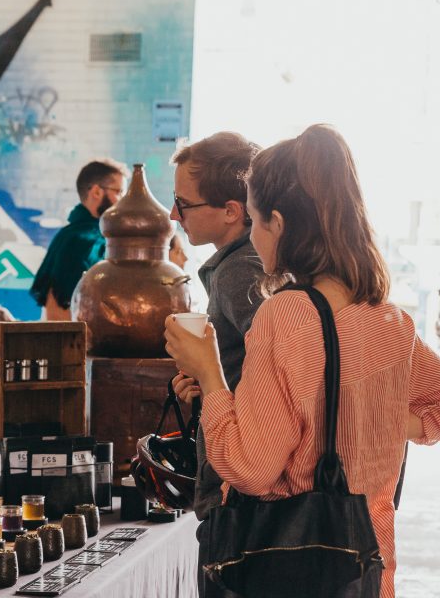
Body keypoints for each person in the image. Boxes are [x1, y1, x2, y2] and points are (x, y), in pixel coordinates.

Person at [165, 124, 440, 598]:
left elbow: (250, 469)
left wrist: (209, 373)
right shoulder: (390, 319)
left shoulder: (284, 316)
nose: (253, 236)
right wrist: (357, 418)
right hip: (368, 563)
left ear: (278, 224)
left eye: (256, 221)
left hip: (283, 562)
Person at [164, 132, 264, 596]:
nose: (173, 215)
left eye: (183, 204)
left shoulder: (239, 271)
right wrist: (209, 381)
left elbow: (283, 363)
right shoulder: (243, 264)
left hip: (238, 485)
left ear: (231, 210)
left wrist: (209, 375)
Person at [29, 159, 128, 320]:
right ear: (96, 192)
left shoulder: (96, 237)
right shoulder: (77, 241)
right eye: (119, 192)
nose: (124, 199)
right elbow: (58, 311)